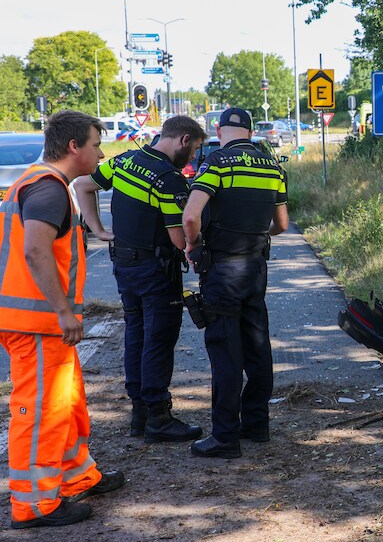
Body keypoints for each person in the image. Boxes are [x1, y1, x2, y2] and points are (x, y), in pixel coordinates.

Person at [0, 110, 125, 529]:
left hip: (36, 321)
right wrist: (64, 311)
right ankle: (34, 505)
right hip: (36, 322)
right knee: (43, 411)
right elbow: (35, 250)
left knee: (66, 402)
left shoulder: (44, 183)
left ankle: (76, 476)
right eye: (96, 145)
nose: (101, 154)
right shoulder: (48, 188)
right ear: (74, 147)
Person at [76, 115, 207, 443]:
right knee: (159, 339)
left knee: (136, 333)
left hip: (125, 265)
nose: (192, 157)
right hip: (156, 271)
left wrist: (98, 230)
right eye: (194, 149)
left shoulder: (124, 161)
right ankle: (159, 417)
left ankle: (140, 414)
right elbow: (178, 239)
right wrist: (198, 243)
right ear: (184, 140)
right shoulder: (169, 179)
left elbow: (82, 186)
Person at [182, 107, 289, 459]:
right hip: (255, 268)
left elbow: (191, 216)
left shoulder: (216, 163)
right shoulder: (272, 167)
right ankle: (256, 424)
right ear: (251, 132)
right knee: (257, 346)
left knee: (225, 351)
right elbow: (282, 225)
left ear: (218, 130)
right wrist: (255, 235)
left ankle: (225, 437)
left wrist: (193, 244)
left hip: (222, 270)